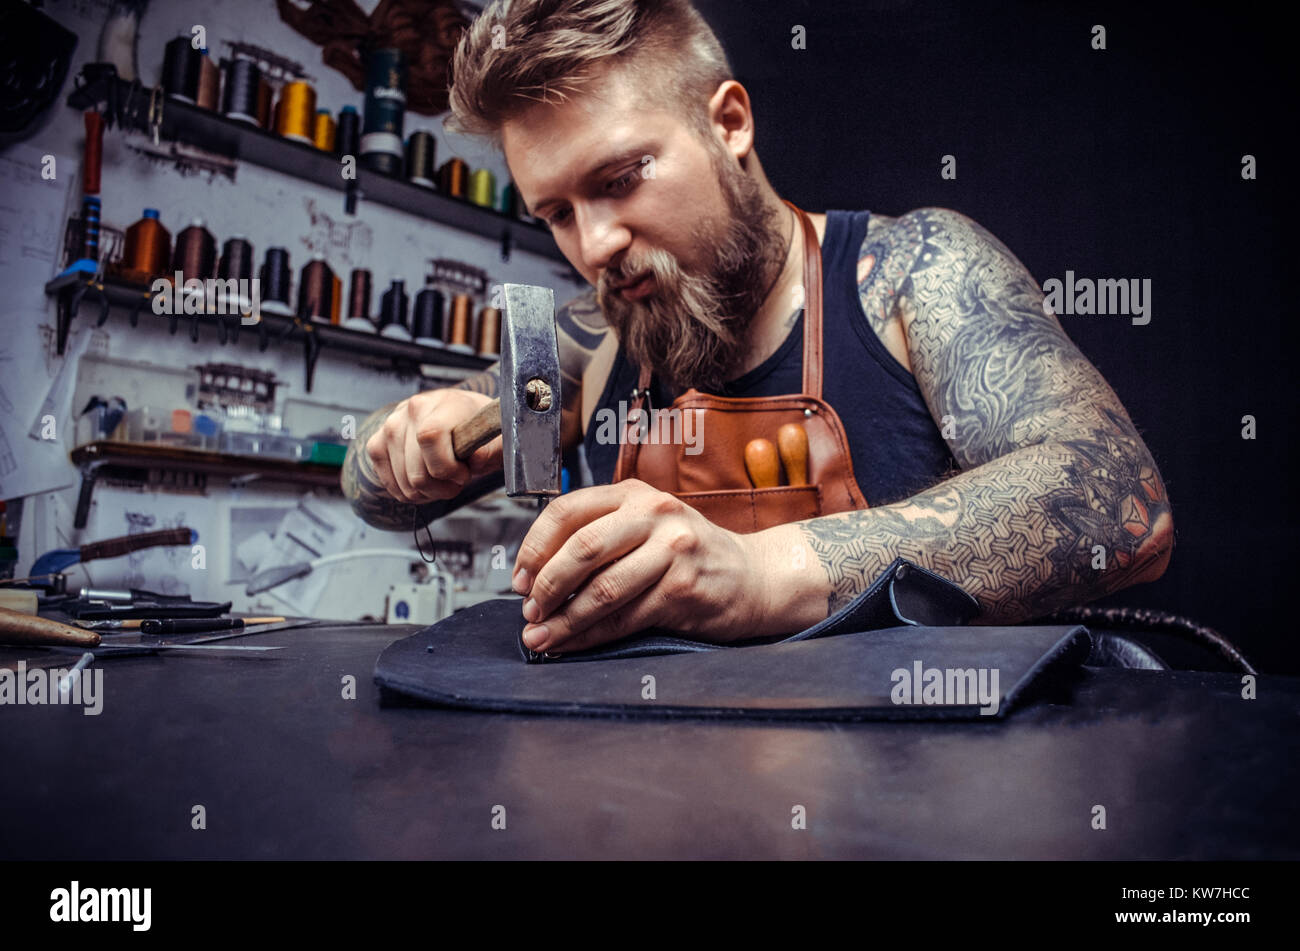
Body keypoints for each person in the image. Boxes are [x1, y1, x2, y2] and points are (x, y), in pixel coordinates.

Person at [342, 0, 1173, 655]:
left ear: (729, 123)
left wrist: (758, 573)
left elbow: (1119, 504)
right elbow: (369, 495)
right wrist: (407, 439)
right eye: (556, 213)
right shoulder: (586, 343)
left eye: (622, 179)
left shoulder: (909, 273)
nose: (594, 245)